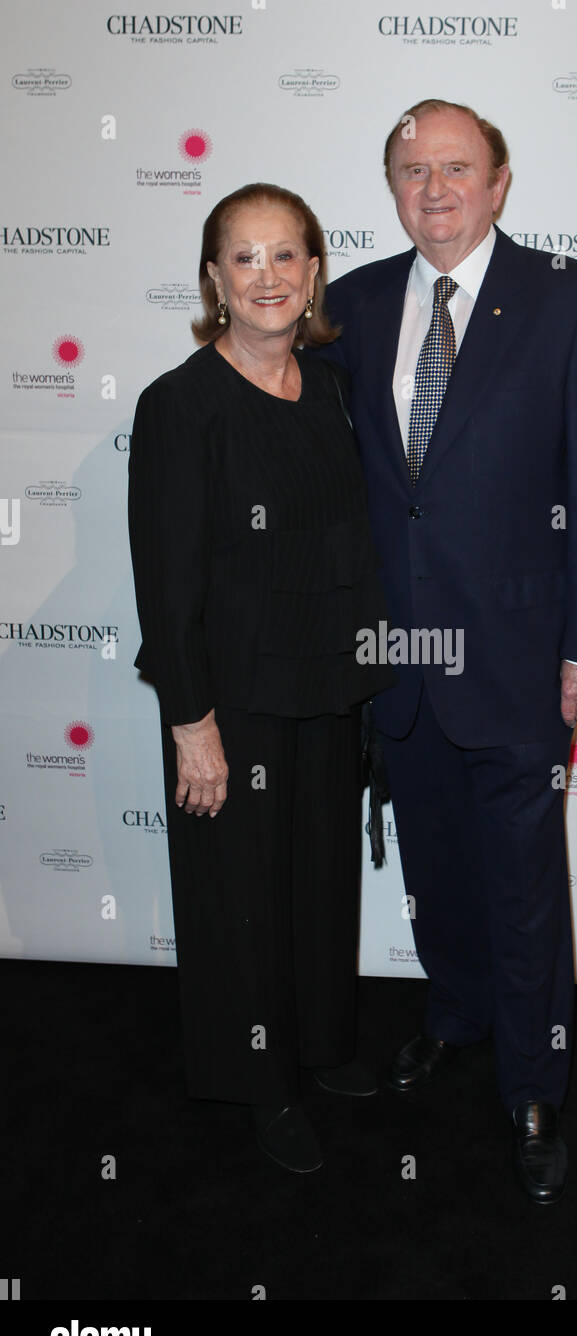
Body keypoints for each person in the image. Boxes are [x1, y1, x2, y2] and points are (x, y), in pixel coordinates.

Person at [319, 100, 577, 1203]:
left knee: (520, 882)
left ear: (499, 182)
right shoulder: (351, 306)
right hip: (398, 654)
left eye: (456, 167)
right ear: (390, 187)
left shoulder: (569, 299)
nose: (433, 188)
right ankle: (453, 1019)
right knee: (435, 870)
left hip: (517, 652)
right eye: (410, 170)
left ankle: (533, 1081)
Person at [127, 182, 394, 1174]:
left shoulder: (326, 387)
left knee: (319, 881)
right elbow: (168, 581)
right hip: (232, 699)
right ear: (213, 281)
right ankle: (259, 1080)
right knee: (241, 897)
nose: (268, 276)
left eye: (287, 255)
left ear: (313, 272)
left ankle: (319, 1049)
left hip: (326, 686)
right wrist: (191, 723)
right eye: (245, 258)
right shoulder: (180, 407)